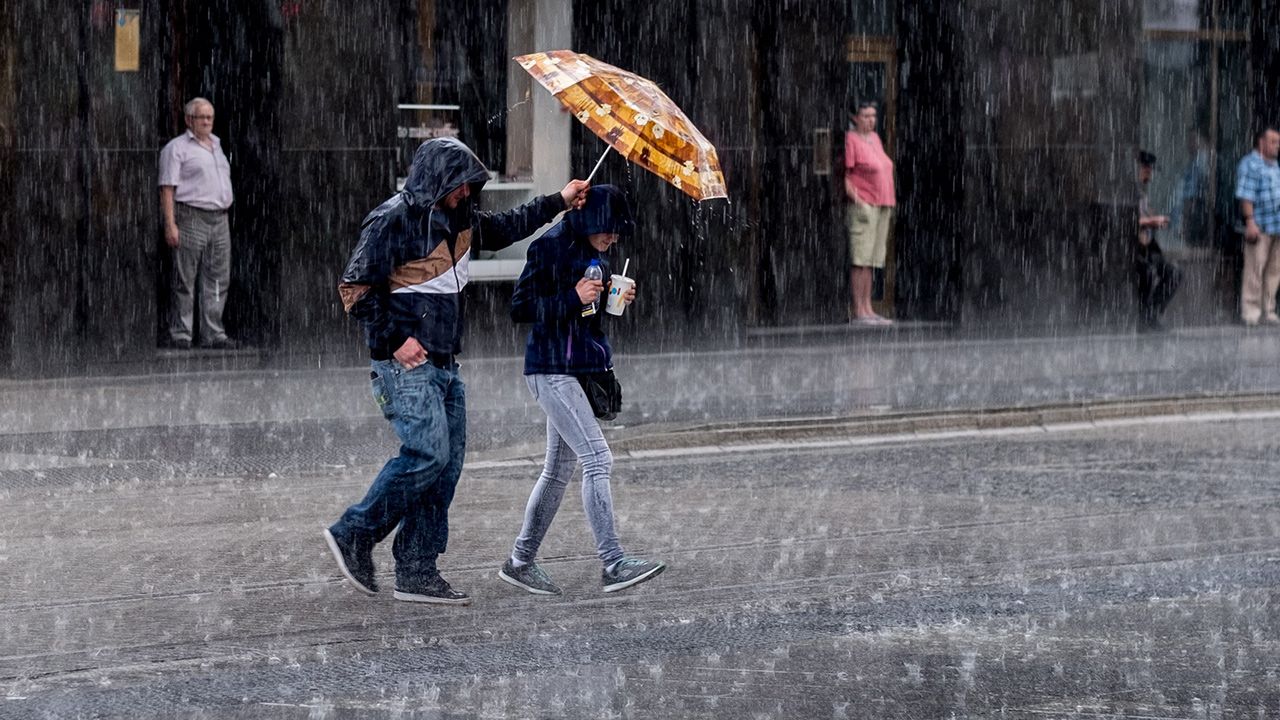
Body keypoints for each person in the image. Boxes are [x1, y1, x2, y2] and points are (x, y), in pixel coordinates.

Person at [325, 137, 588, 605]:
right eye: (461, 185)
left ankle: (418, 570)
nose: (468, 193)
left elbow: (507, 226)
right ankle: (354, 533)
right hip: (405, 364)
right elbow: (354, 288)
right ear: (437, 181)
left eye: (471, 186)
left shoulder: (462, 220)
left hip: (445, 362)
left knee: (445, 468)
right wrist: (396, 341)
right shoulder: (392, 219)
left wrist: (558, 201)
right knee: (427, 454)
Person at [497, 185, 665, 596]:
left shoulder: (599, 257)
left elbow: (587, 318)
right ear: (591, 221)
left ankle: (520, 561)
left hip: (576, 370)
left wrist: (609, 299)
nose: (614, 238)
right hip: (551, 369)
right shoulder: (549, 248)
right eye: (610, 229)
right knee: (597, 458)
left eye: (619, 232)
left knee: (558, 470)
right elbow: (520, 308)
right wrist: (571, 298)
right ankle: (613, 563)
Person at [158, 97, 237, 350]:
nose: (206, 122)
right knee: (185, 277)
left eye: (210, 117)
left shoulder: (217, 145)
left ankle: (213, 333)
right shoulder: (176, 148)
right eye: (201, 117)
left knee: (217, 277)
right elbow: (167, 188)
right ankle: (182, 333)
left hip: (219, 218)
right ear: (188, 120)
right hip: (191, 216)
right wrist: (170, 224)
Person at [844, 101, 896, 325]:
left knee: (872, 259)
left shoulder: (875, 138)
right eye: (865, 116)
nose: (870, 120)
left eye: (873, 115)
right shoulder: (851, 139)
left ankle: (869, 307)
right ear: (855, 118)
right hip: (865, 206)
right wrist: (859, 201)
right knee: (861, 259)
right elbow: (845, 175)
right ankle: (859, 310)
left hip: (882, 204)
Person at [1235, 127, 1280, 326]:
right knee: (1255, 269)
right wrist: (1250, 221)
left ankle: (1268, 310)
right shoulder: (1250, 164)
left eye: (1278, 142)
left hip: (1276, 226)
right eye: (1273, 142)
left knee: (1274, 270)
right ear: (1261, 142)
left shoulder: (1274, 165)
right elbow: (1246, 195)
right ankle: (1251, 312)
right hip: (1260, 226)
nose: (1277, 146)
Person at [1135, 150, 1182, 333]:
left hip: (1148, 247)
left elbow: (1144, 213)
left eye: (1151, 171)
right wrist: (1150, 221)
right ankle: (1142, 318)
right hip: (1132, 250)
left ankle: (1151, 315)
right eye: (1146, 170)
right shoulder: (1127, 189)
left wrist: (1154, 218)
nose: (1149, 175)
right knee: (1146, 273)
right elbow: (1126, 219)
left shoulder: (1142, 191)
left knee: (1174, 273)